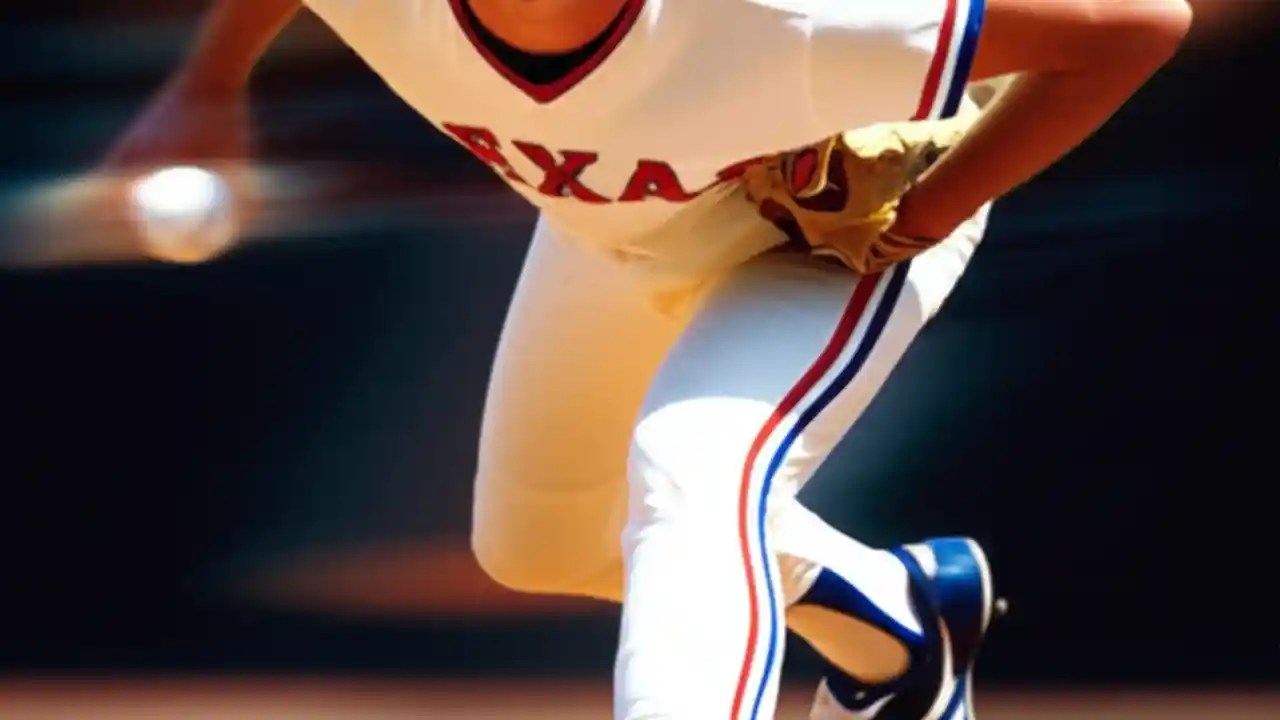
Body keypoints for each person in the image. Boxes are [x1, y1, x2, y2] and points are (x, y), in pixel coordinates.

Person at [105, 1, 1192, 718]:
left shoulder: (787, 19)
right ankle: (896, 612)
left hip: (814, 240)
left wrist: (922, 215)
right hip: (608, 230)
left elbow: (1134, 25)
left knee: (694, 470)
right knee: (536, 547)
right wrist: (205, 87)